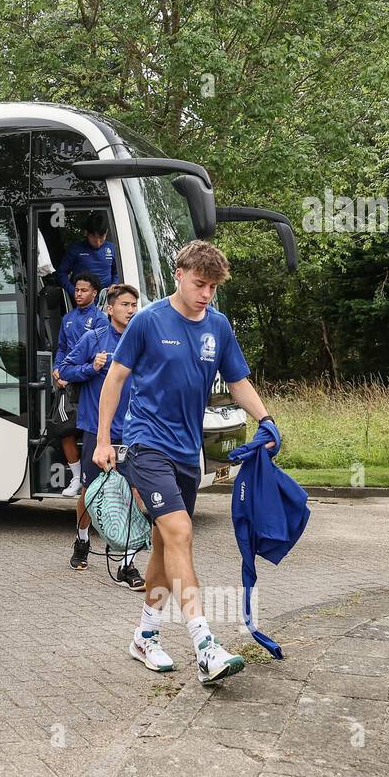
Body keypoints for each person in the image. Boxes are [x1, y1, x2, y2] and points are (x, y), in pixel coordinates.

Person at [93, 240, 280, 684]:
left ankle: (144, 635)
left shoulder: (218, 325)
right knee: (180, 531)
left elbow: (238, 381)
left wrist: (267, 419)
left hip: (185, 452)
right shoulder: (148, 320)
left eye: (213, 287)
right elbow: (114, 381)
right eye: (200, 284)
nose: (206, 294)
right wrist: (104, 441)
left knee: (164, 545)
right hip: (144, 445)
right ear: (179, 274)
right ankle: (205, 644)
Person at [57, 283, 143, 578]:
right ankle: (82, 542)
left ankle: (126, 563)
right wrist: (91, 367)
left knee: (133, 493)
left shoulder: (142, 338)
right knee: (90, 492)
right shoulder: (93, 338)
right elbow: (64, 371)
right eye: (125, 305)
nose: (131, 310)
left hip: (133, 430)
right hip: (97, 429)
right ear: (109, 308)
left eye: (134, 305)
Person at [51, 271, 107, 495]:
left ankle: (97, 482)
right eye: (77, 290)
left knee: (91, 432)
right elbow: (62, 349)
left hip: (90, 383)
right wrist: (57, 370)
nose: (79, 294)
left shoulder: (101, 319)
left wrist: (79, 372)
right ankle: (76, 479)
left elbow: (100, 356)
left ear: (94, 292)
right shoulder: (68, 318)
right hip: (68, 384)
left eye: (84, 290)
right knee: (65, 430)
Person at [56, 212, 119, 297]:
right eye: (94, 238)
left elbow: (116, 272)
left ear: (106, 233)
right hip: (82, 302)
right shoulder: (75, 249)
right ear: (86, 233)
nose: (98, 243)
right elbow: (61, 273)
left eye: (101, 238)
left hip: (105, 301)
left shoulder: (111, 248)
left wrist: (114, 284)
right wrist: (74, 292)